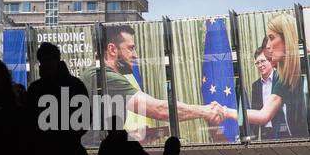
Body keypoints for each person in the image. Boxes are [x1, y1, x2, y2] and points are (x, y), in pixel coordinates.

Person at [81, 25, 224, 142]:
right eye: (131, 48)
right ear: (112, 49)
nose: (135, 55)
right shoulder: (102, 76)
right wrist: (205, 111)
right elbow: (159, 110)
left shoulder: (101, 74)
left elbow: (98, 135)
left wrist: (133, 136)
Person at [222, 13, 308, 138]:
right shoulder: (285, 79)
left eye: (272, 38)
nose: (268, 46)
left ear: (287, 37)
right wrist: (225, 112)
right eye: (257, 63)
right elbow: (263, 115)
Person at [250, 45, 289, 140]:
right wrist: (253, 138)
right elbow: (255, 111)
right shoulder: (256, 86)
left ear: (270, 61)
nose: (260, 65)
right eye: (257, 63)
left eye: (263, 61)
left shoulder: (281, 80)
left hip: (283, 131)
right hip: (265, 133)